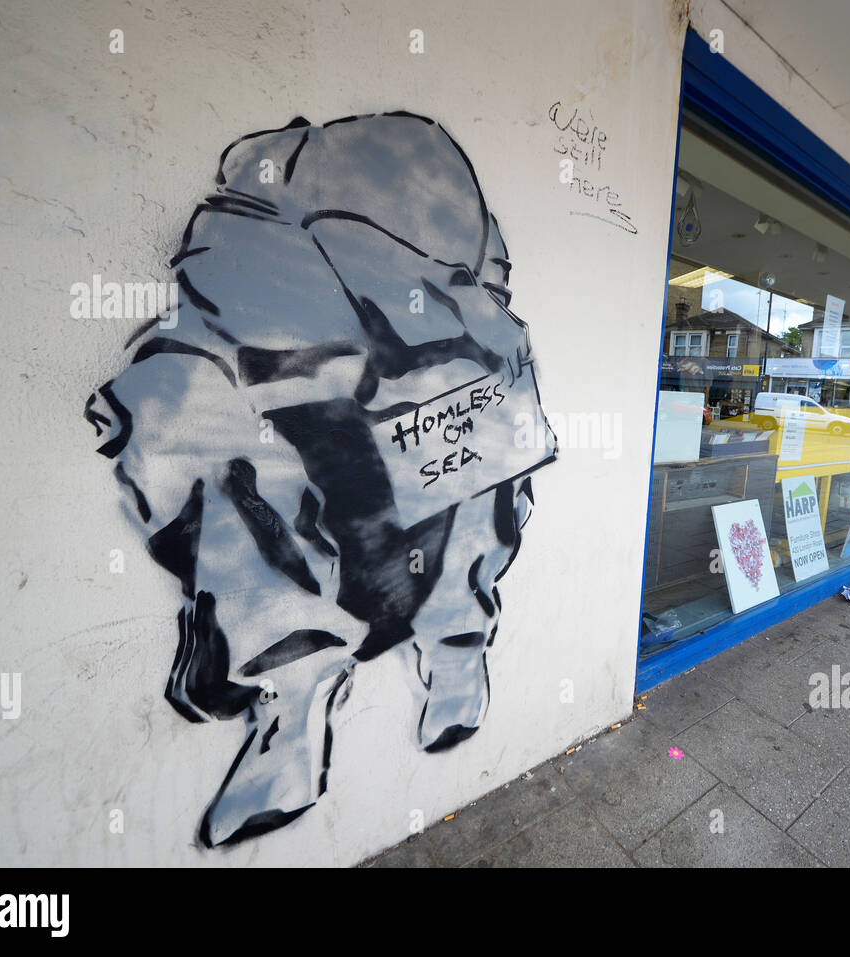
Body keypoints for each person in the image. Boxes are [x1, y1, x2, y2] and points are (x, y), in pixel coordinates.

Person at [84, 112, 556, 847]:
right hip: (316, 438)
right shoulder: (263, 222)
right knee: (196, 435)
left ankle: (457, 651)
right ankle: (295, 717)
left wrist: (419, 359)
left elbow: (492, 322)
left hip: (420, 458)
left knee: (482, 436)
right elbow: (211, 320)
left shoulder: (450, 222)